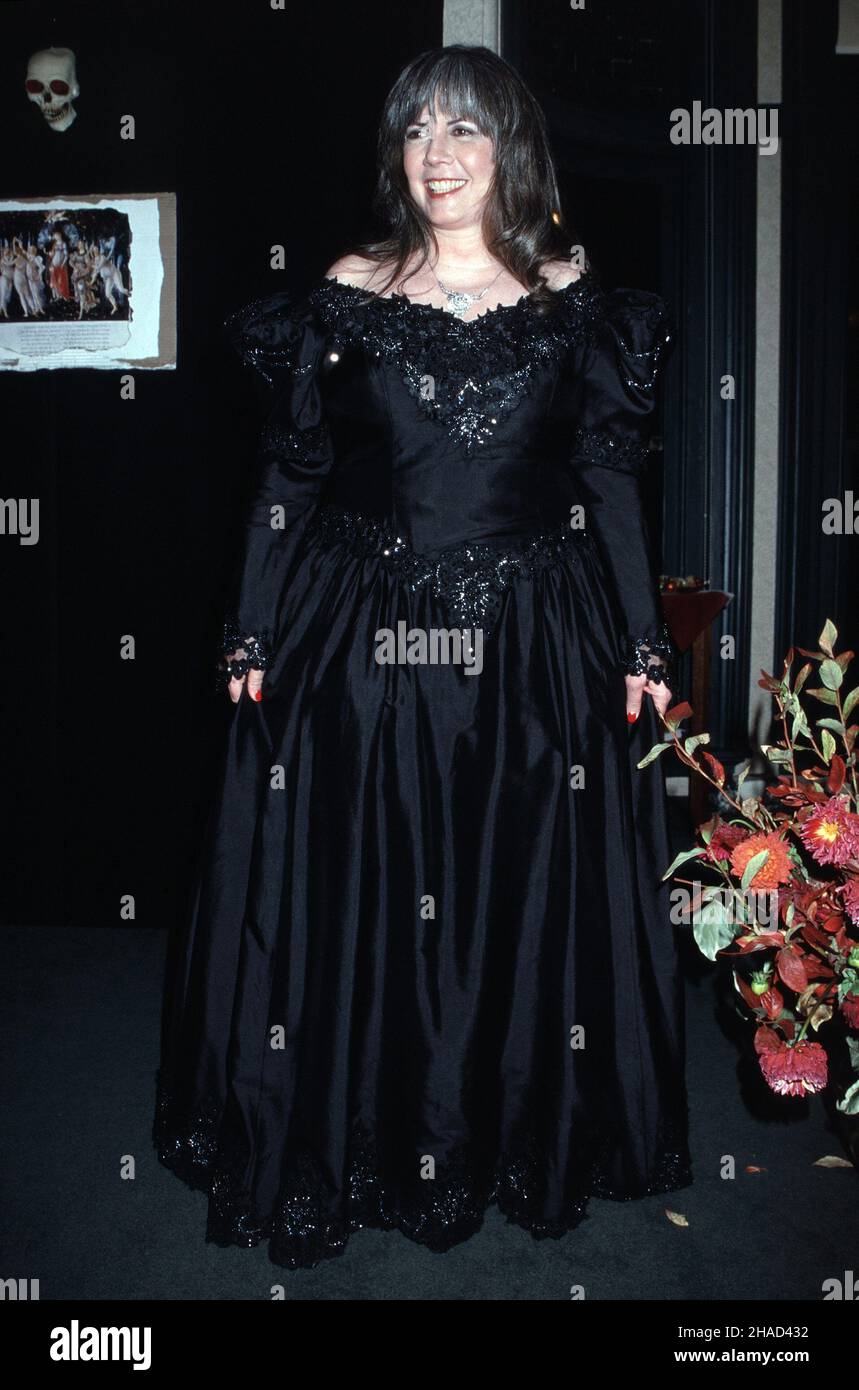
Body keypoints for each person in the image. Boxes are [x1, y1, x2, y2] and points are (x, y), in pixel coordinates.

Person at [154, 43, 692, 1270]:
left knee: (514, 889)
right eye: (415, 132)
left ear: (510, 148)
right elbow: (290, 474)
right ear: (395, 155)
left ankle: (507, 1132)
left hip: (531, 646)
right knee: (367, 891)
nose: (438, 155)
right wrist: (250, 623)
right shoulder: (344, 289)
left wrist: (641, 641)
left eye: (465, 129)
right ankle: (357, 1135)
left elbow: (604, 483)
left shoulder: (574, 304)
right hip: (361, 641)